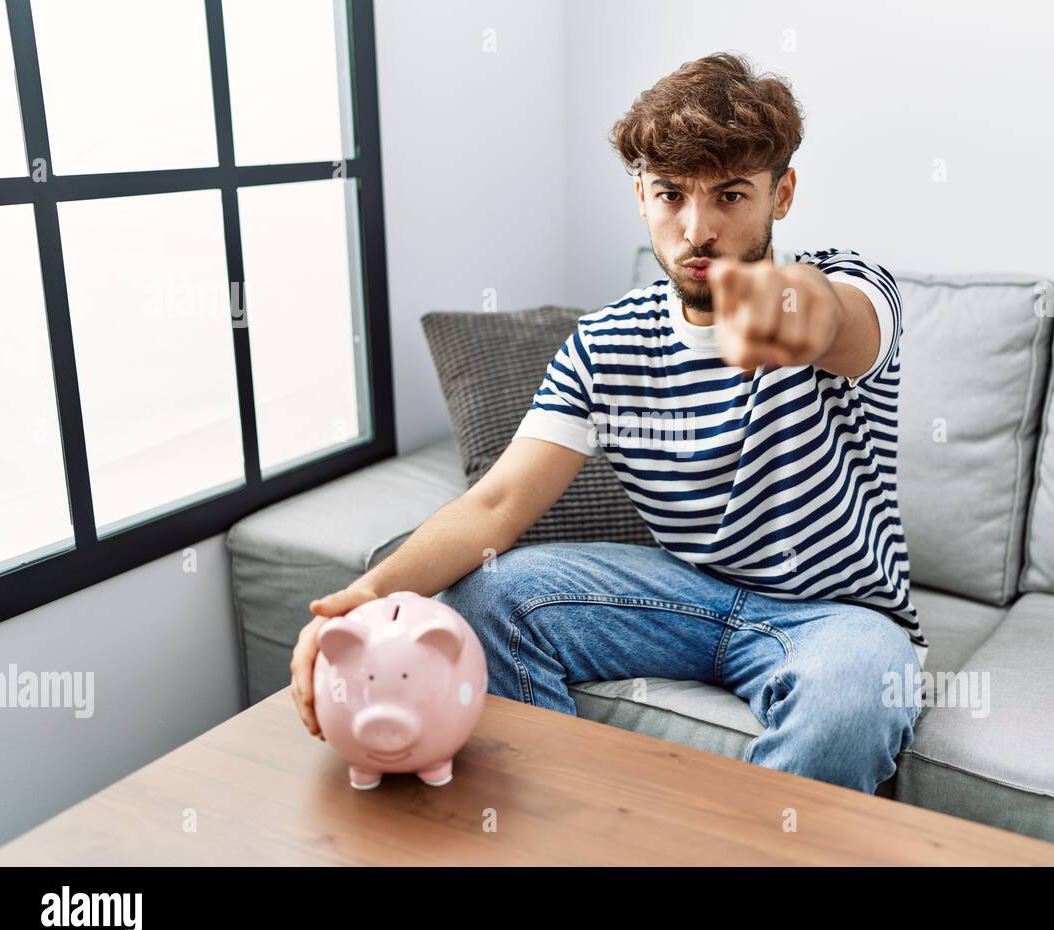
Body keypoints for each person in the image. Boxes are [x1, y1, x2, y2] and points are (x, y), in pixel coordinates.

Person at [291, 51, 926, 794]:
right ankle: (577, 825)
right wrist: (363, 599)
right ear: (640, 197)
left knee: (852, 703)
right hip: (678, 595)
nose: (698, 232)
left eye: (729, 196)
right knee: (486, 594)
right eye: (671, 196)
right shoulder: (605, 345)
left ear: (781, 194)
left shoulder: (850, 283)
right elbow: (495, 506)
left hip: (834, 615)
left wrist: (783, 309)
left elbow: (835, 321)